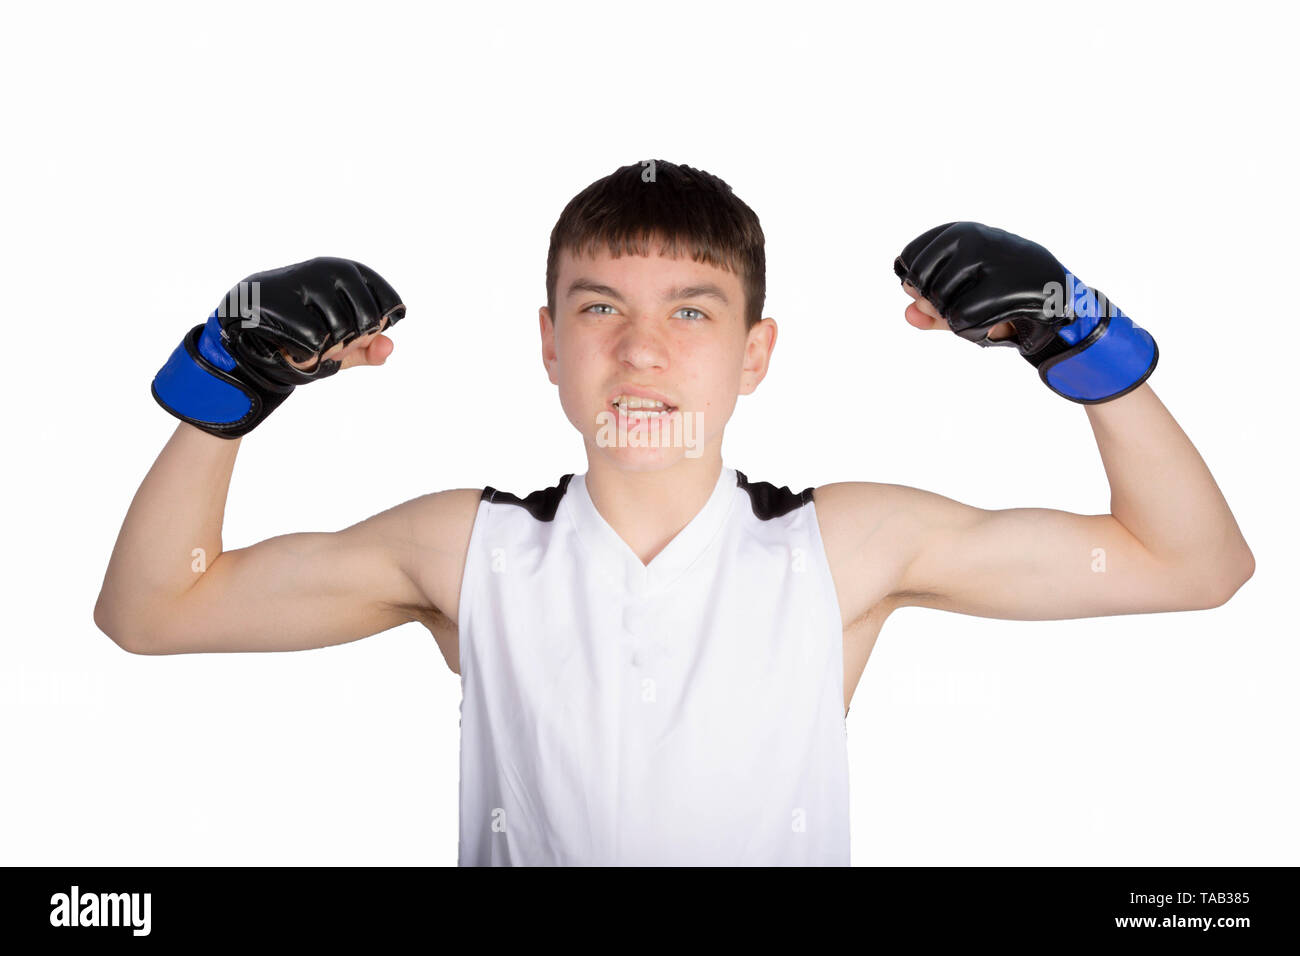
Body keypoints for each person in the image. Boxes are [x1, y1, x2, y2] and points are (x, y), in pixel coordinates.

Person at [93, 159, 1255, 866]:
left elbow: (1193, 563)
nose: (641, 347)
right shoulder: (467, 550)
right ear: (549, 343)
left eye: (692, 312)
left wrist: (1088, 346)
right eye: (599, 306)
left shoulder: (842, 547)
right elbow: (153, 609)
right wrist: (223, 392)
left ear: (755, 354)